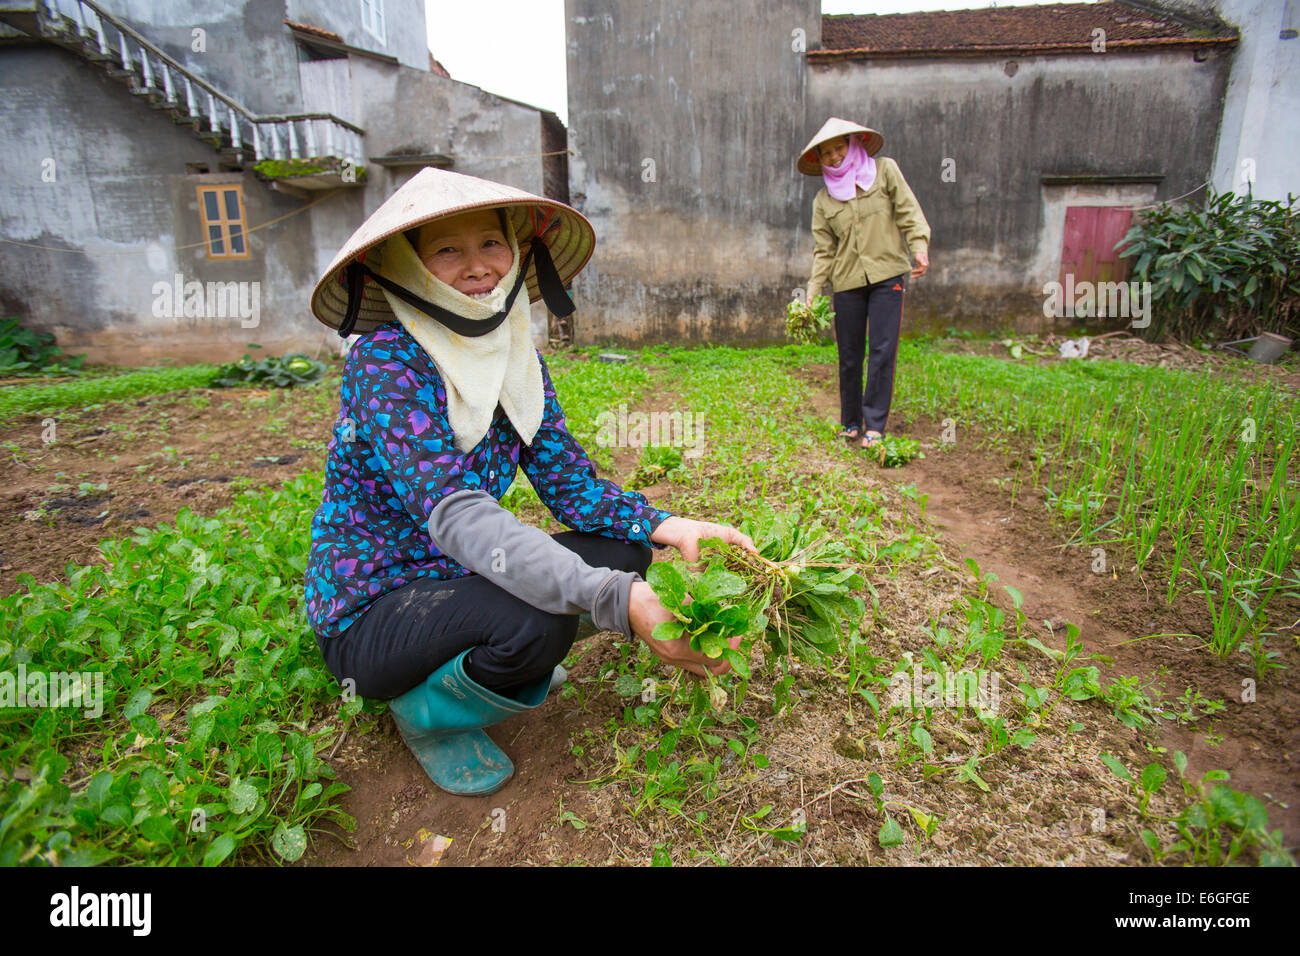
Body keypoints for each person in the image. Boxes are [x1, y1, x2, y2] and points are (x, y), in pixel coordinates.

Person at [304, 167, 755, 796]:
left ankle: (482, 661)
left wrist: (669, 525)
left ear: (518, 253)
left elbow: (570, 484)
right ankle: (431, 715)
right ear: (407, 266)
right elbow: (459, 515)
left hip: (460, 576)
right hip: (380, 606)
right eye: (446, 249)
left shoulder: (517, 357)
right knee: (536, 621)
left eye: (491, 243)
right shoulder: (385, 359)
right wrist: (616, 601)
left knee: (626, 550)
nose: (478, 265)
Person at [800, 117, 931, 450]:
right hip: (847, 283)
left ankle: (875, 425)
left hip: (888, 276)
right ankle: (850, 422)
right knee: (849, 355)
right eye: (826, 153)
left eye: (839, 147)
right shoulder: (823, 201)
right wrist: (811, 294)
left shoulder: (884, 171)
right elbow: (824, 252)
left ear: (854, 143)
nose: (834, 156)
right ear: (819, 159)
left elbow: (908, 212)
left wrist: (919, 247)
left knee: (883, 351)